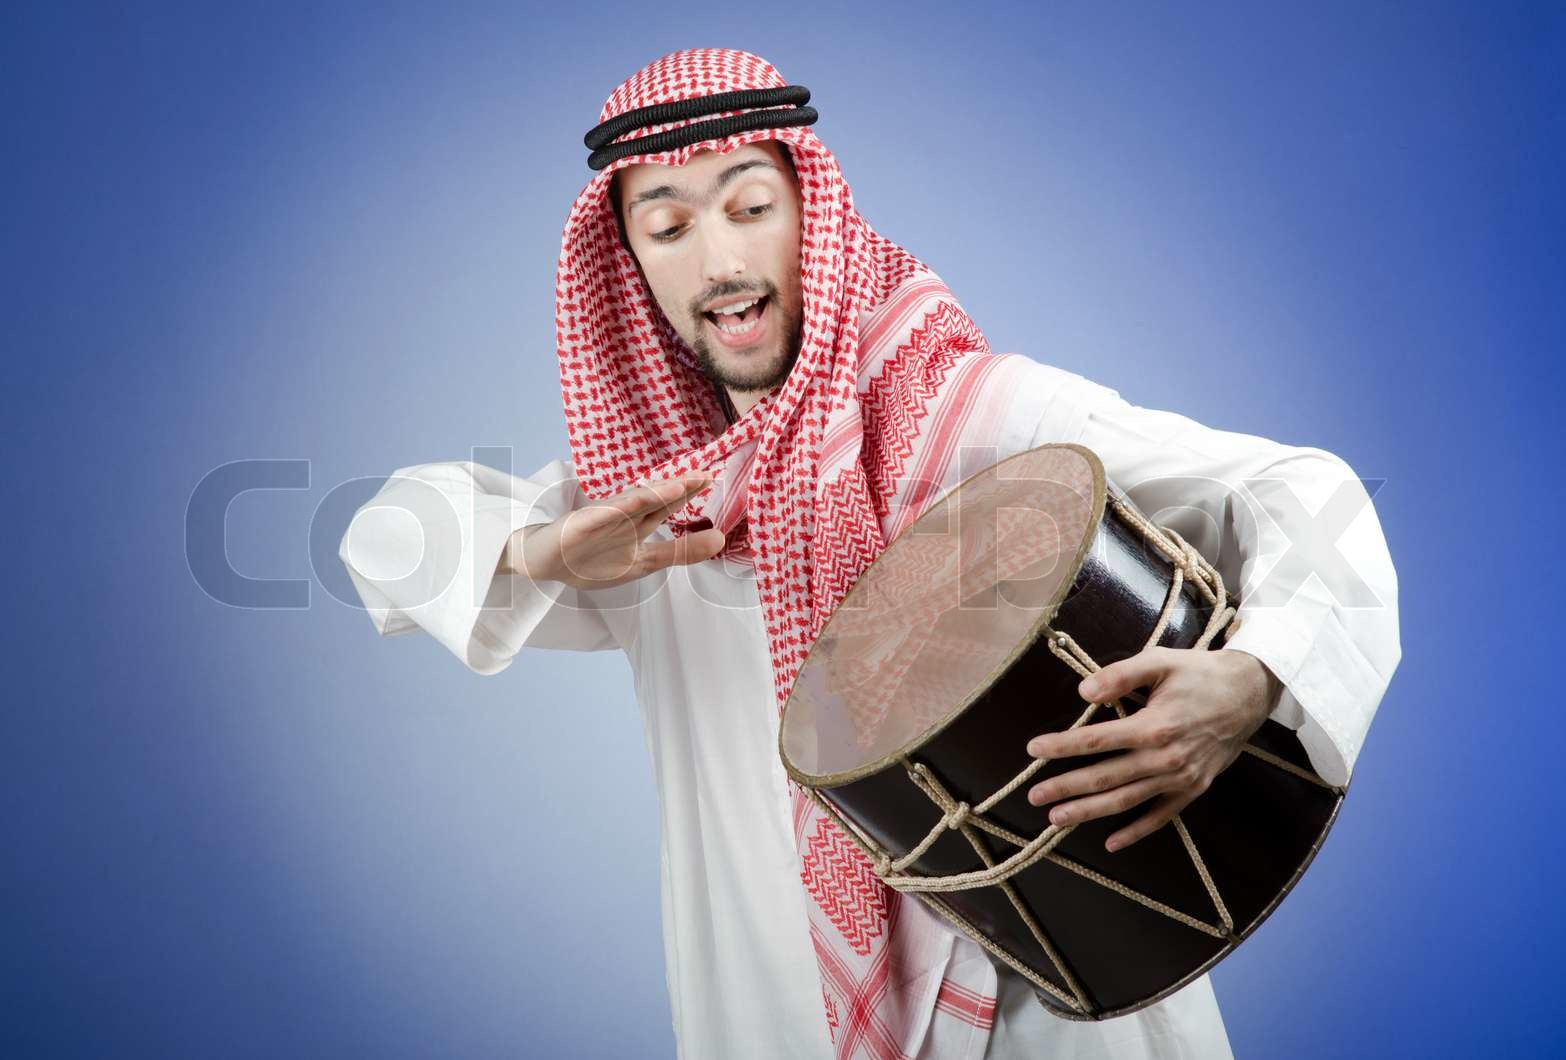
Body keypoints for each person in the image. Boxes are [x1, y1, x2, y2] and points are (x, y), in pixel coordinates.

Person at [339, 48, 1401, 1060]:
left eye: (750, 208)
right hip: (773, 1016)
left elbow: (1303, 494)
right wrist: (538, 552)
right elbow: (382, 539)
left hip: (1059, 1025)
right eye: (665, 228)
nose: (718, 261)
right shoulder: (648, 520)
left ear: (813, 211)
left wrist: (1253, 678)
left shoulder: (984, 422)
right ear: (629, 270)